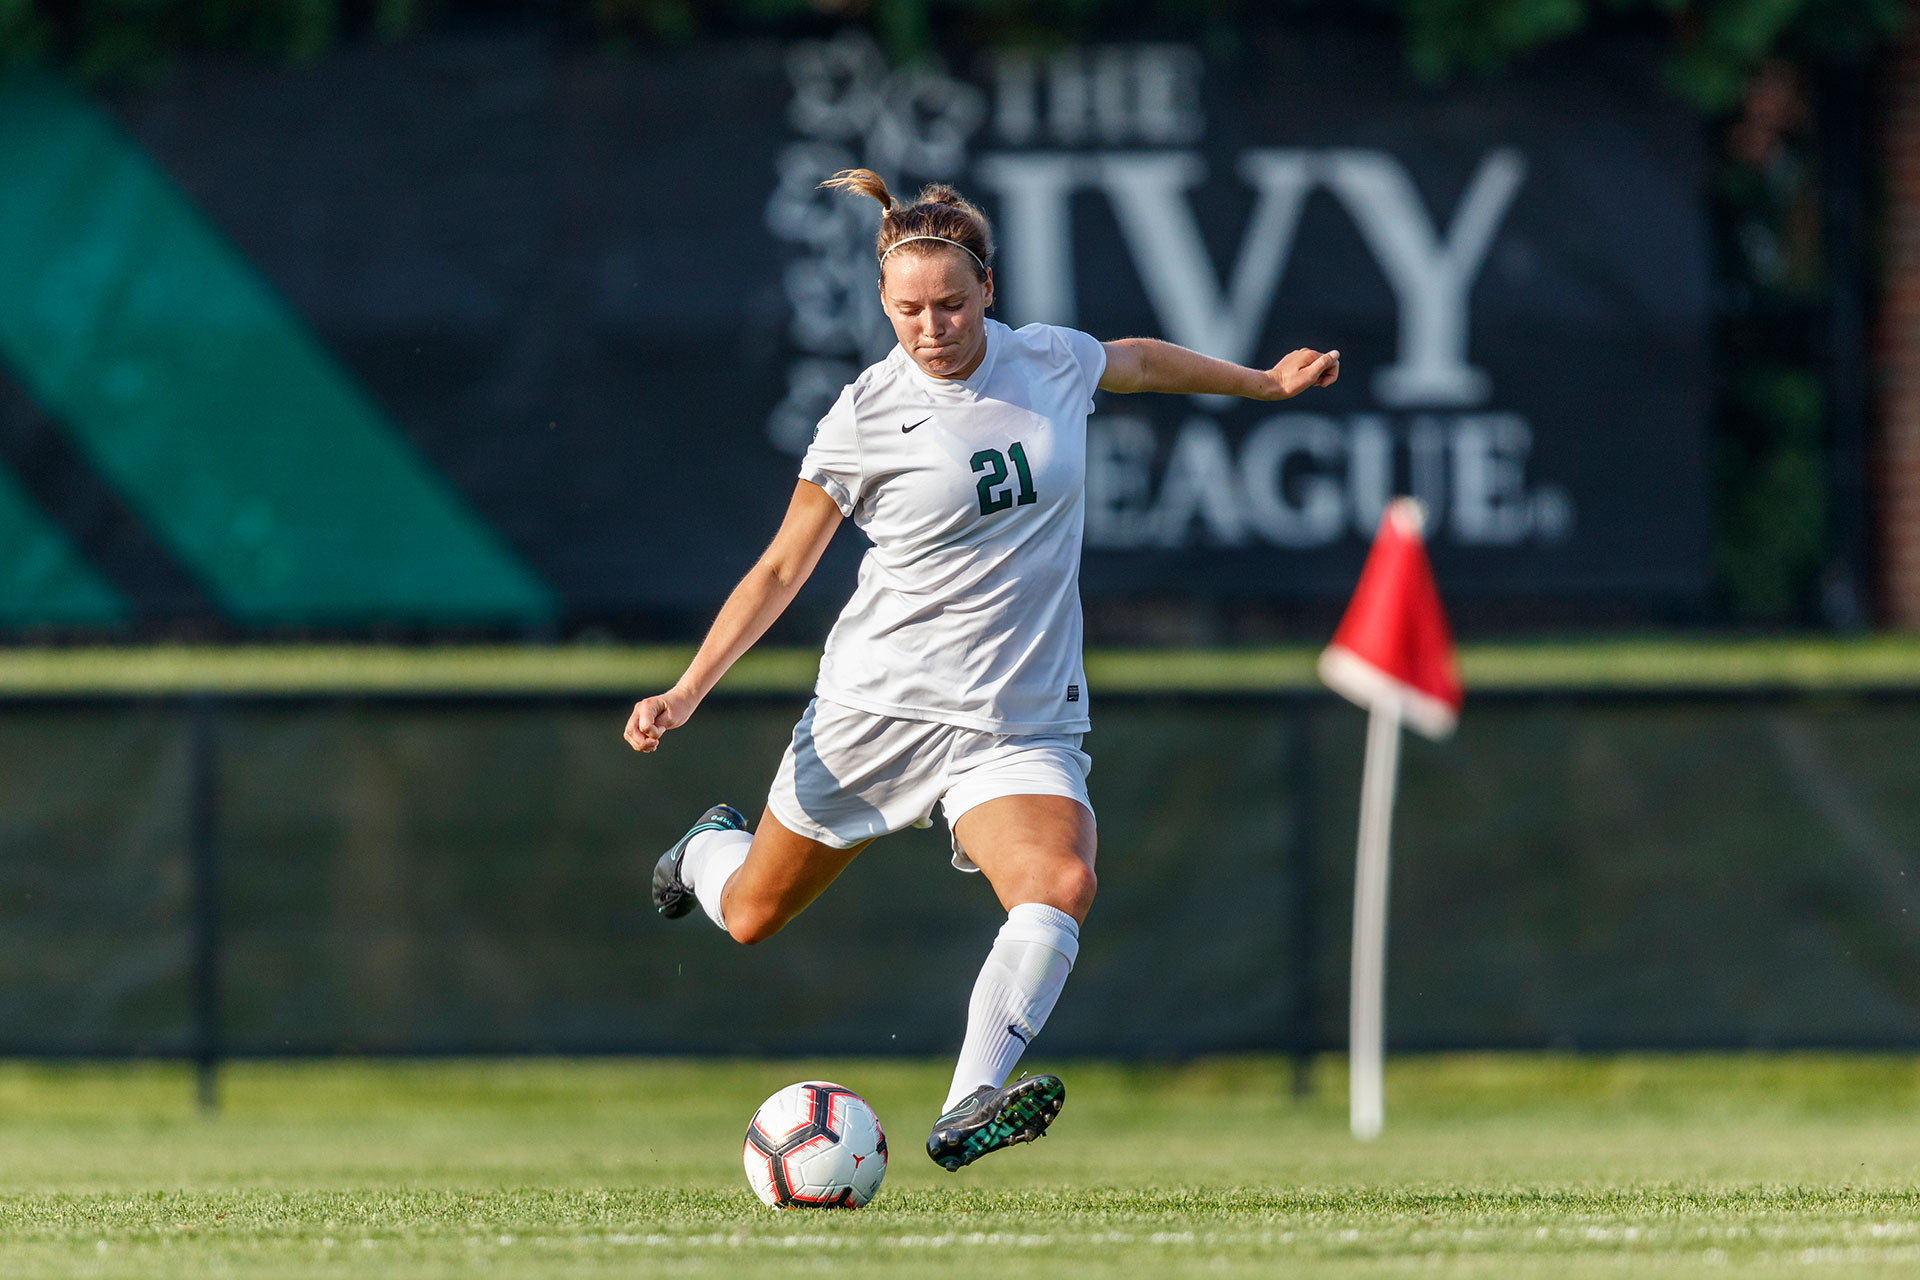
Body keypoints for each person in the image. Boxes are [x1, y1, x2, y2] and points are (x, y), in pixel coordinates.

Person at [626, 168, 1338, 1171]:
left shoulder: (1045, 360)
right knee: (747, 913)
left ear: (989, 289)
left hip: (1017, 715)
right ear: (884, 306)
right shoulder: (866, 415)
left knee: (1061, 876)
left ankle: (968, 1103)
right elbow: (784, 565)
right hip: (878, 710)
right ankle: (708, 845)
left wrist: (1261, 383)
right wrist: (686, 688)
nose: (933, 327)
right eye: (909, 310)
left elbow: (1131, 360)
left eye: (952, 304)